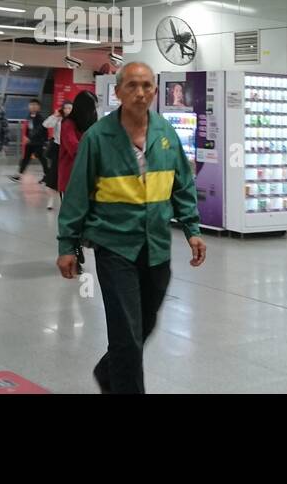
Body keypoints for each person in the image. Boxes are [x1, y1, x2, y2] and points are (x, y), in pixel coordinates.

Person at [57, 61, 206, 395]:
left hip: (156, 246)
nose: (140, 93)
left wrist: (192, 229)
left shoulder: (166, 134)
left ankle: (108, 370)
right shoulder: (98, 137)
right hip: (114, 246)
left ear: (154, 90)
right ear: (119, 91)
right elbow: (77, 195)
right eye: (132, 86)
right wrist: (67, 246)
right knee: (126, 335)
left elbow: (181, 186)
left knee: (145, 324)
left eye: (147, 86)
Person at [58, 92, 98, 200]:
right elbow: (75, 149)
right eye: (92, 108)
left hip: (87, 178)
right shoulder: (68, 124)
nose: (94, 111)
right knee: (71, 213)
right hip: (71, 177)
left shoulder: (91, 123)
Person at [10, 98, 49, 184]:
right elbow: (28, 128)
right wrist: (26, 137)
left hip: (39, 142)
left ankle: (48, 176)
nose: (33, 107)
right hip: (30, 143)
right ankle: (19, 175)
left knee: (42, 159)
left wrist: (31, 138)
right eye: (31, 105)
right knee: (25, 159)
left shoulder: (41, 118)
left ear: (39, 107)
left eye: (35, 105)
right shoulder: (28, 117)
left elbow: (39, 130)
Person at [42, 102, 71, 210]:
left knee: (67, 175)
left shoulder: (75, 120)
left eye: (70, 108)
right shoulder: (58, 119)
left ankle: (65, 200)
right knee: (54, 174)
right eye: (66, 108)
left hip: (69, 150)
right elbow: (46, 124)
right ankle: (51, 200)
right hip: (58, 148)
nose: (68, 110)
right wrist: (55, 115)